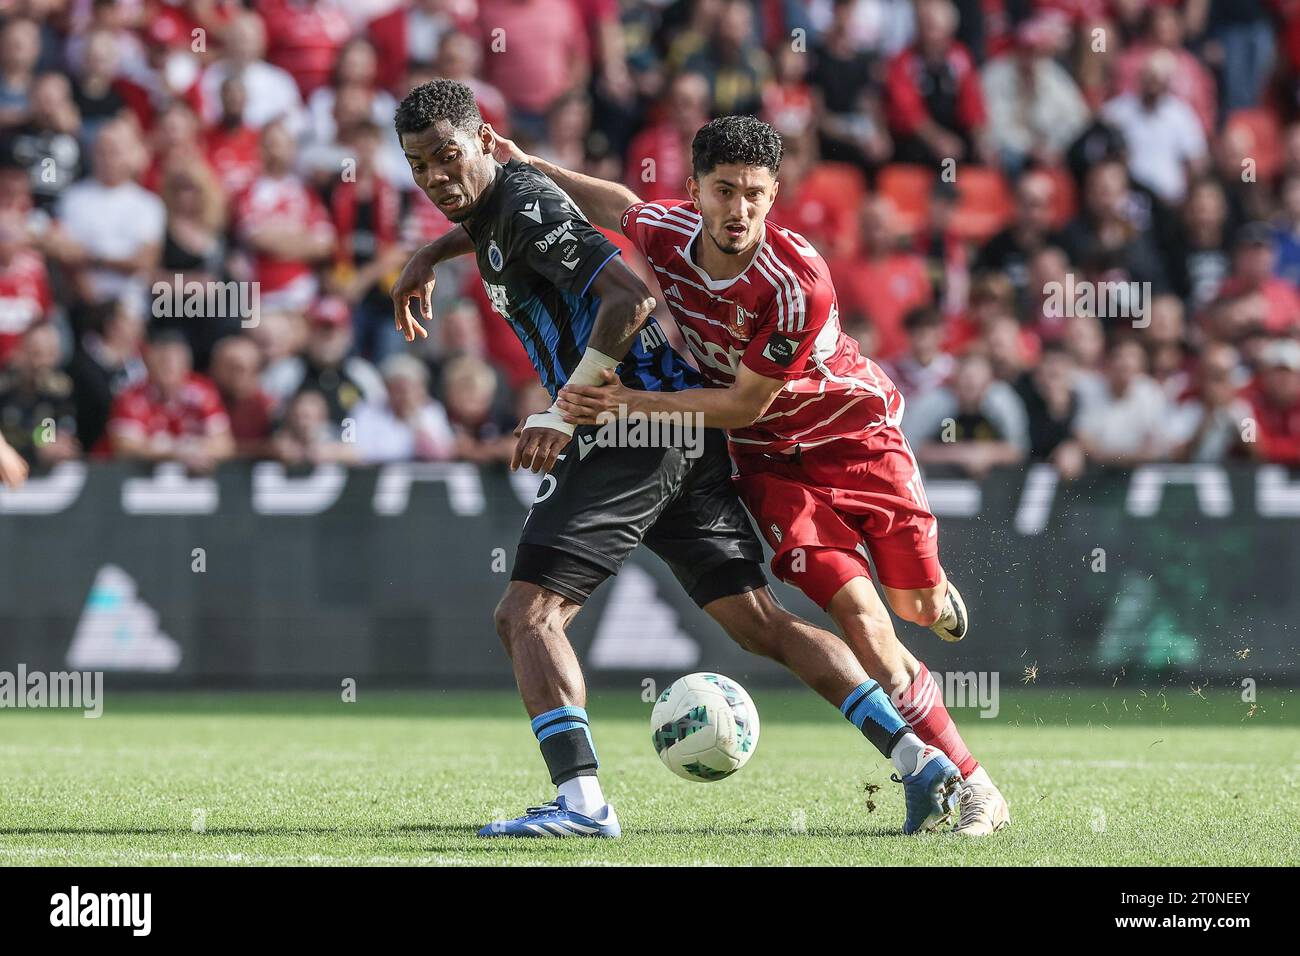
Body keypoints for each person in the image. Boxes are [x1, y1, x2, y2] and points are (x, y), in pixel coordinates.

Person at [390, 79, 963, 839]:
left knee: (527, 613)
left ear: (480, 140)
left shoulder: (524, 202)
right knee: (759, 623)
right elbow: (516, 218)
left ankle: (583, 805)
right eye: (418, 164)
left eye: (446, 156)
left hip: (631, 430)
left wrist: (567, 413)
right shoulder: (502, 206)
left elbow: (628, 298)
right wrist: (431, 252)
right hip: (676, 433)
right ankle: (920, 760)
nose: (434, 176)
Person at [512, 113, 1010, 835]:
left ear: (774, 195)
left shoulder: (796, 282)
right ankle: (975, 787)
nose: (738, 210)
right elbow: (619, 205)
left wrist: (627, 401)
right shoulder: (670, 233)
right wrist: (532, 165)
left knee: (913, 613)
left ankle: (930, 599)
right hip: (769, 462)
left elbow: (746, 397)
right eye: (723, 191)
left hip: (854, 440)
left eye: (753, 193)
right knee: (867, 629)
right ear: (697, 191)